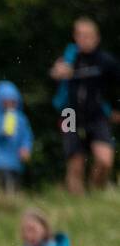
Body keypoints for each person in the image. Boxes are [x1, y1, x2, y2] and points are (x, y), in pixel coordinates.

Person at [50, 17, 120, 194]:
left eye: (88, 36)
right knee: (75, 161)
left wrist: (116, 109)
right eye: (80, 35)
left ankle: (96, 193)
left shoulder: (105, 61)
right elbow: (53, 74)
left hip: (97, 113)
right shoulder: (68, 57)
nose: (84, 39)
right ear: (75, 37)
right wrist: (57, 73)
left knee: (105, 160)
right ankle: (77, 203)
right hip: (69, 113)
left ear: (97, 38)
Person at [0, 81, 33, 194]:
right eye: (6, 102)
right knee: (5, 186)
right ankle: (5, 205)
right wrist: (2, 132)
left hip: (16, 161)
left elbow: (27, 136)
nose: (9, 104)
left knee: (15, 185)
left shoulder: (21, 118)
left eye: (12, 102)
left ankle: (13, 205)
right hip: (0, 160)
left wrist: (26, 148)